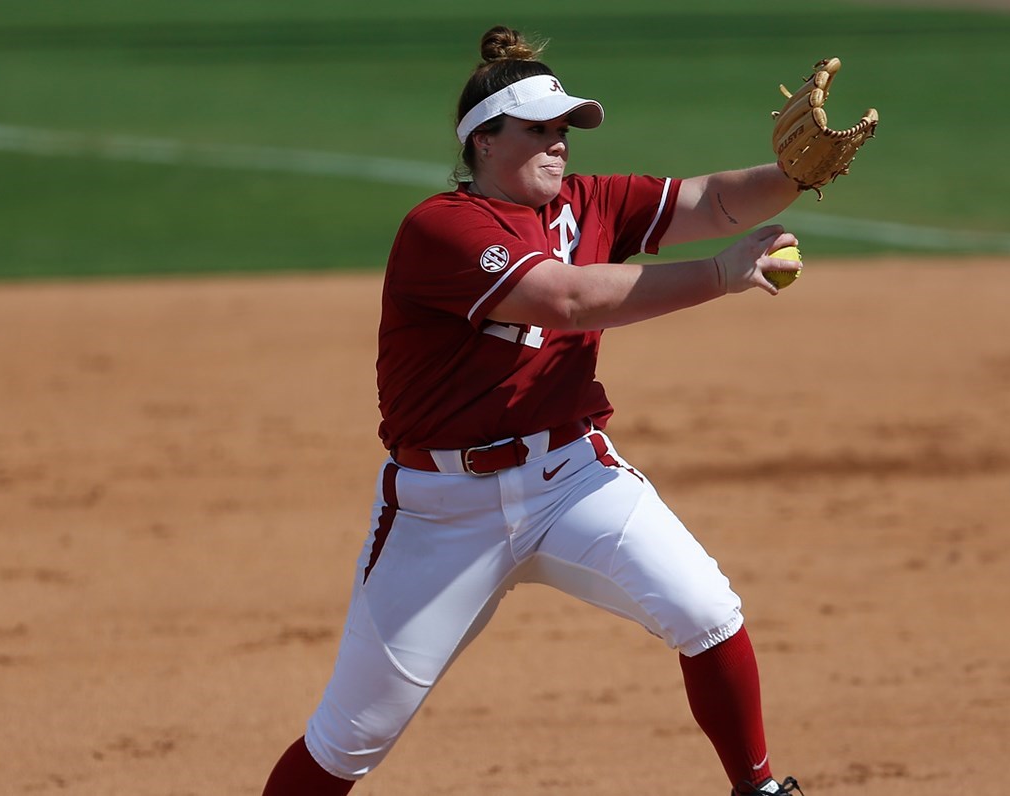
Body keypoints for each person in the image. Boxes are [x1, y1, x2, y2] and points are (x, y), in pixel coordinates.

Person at [262, 25, 810, 796]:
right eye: (539, 130)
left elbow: (711, 201)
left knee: (706, 611)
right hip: (441, 511)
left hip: (571, 480)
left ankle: (758, 790)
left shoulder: (592, 203)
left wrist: (793, 175)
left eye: (565, 130)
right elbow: (566, 298)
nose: (559, 144)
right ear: (484, 142)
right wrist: (720, 276)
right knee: (350, 738)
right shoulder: (441, 228)